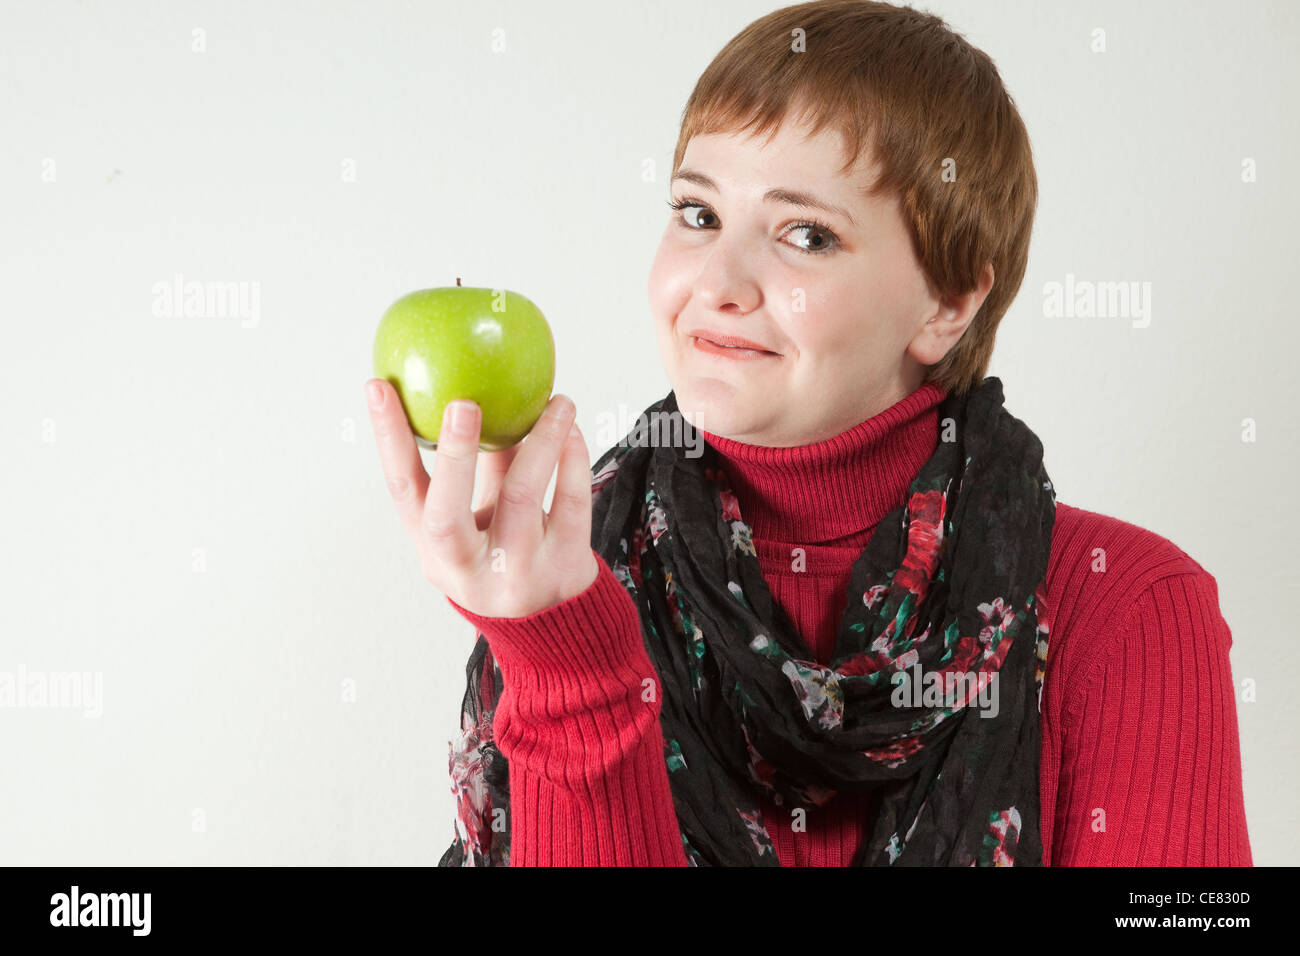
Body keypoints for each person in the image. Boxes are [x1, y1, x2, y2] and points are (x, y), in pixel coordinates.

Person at [365, 0, 1252, 866]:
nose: (718, 280)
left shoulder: (1131, 609)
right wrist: (565, 660)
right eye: (699, 214)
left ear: (949, 303)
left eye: (805, 235)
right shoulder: (573, 576)